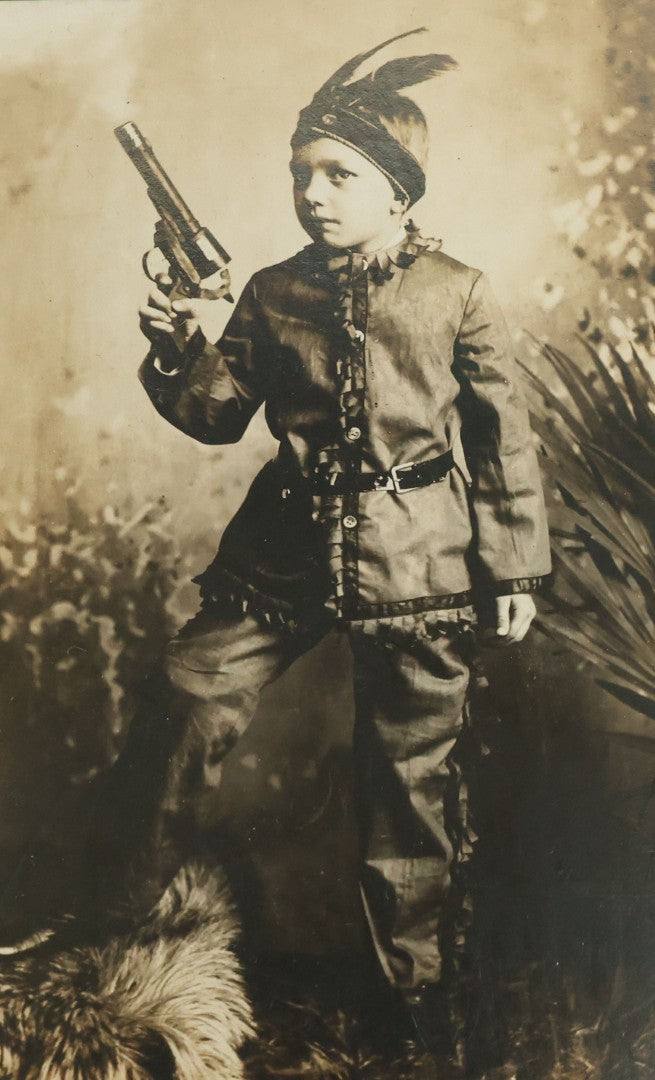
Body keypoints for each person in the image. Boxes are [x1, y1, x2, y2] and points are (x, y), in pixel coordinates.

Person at [18, 29, 553, 1074]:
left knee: (407, 782)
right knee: (184, 694)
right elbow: (216, 417)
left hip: (419, 564)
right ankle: (109, 925)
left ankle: (413, 1005)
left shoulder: (460, 292)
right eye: (301, 174)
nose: (314, 193)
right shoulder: (272, 291)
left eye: (338, 174)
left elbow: (505, 441)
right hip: (285, 552)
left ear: (398, 190)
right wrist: (177, 342)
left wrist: (516, 567)